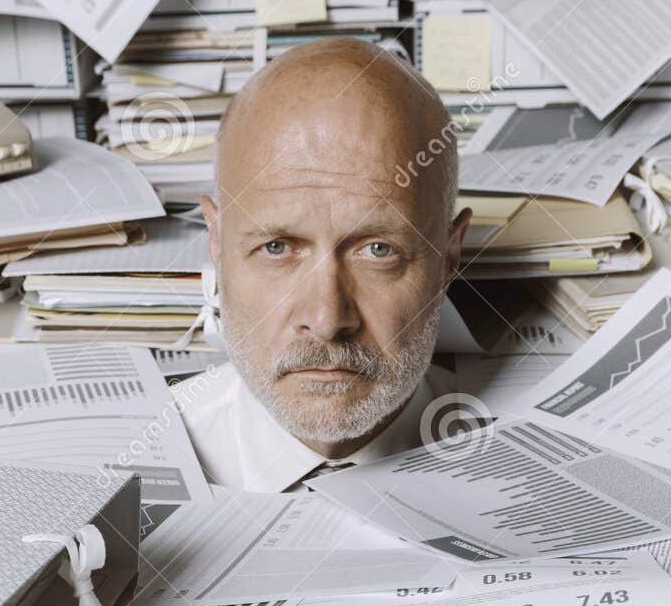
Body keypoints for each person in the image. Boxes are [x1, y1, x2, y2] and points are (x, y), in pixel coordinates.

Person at [174, 37, 472, 492]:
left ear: (448, 257)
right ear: (217, 243)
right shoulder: (136, 459)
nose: (328, 320)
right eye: (277, 248)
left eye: (378, 250)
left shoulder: (523, 456)